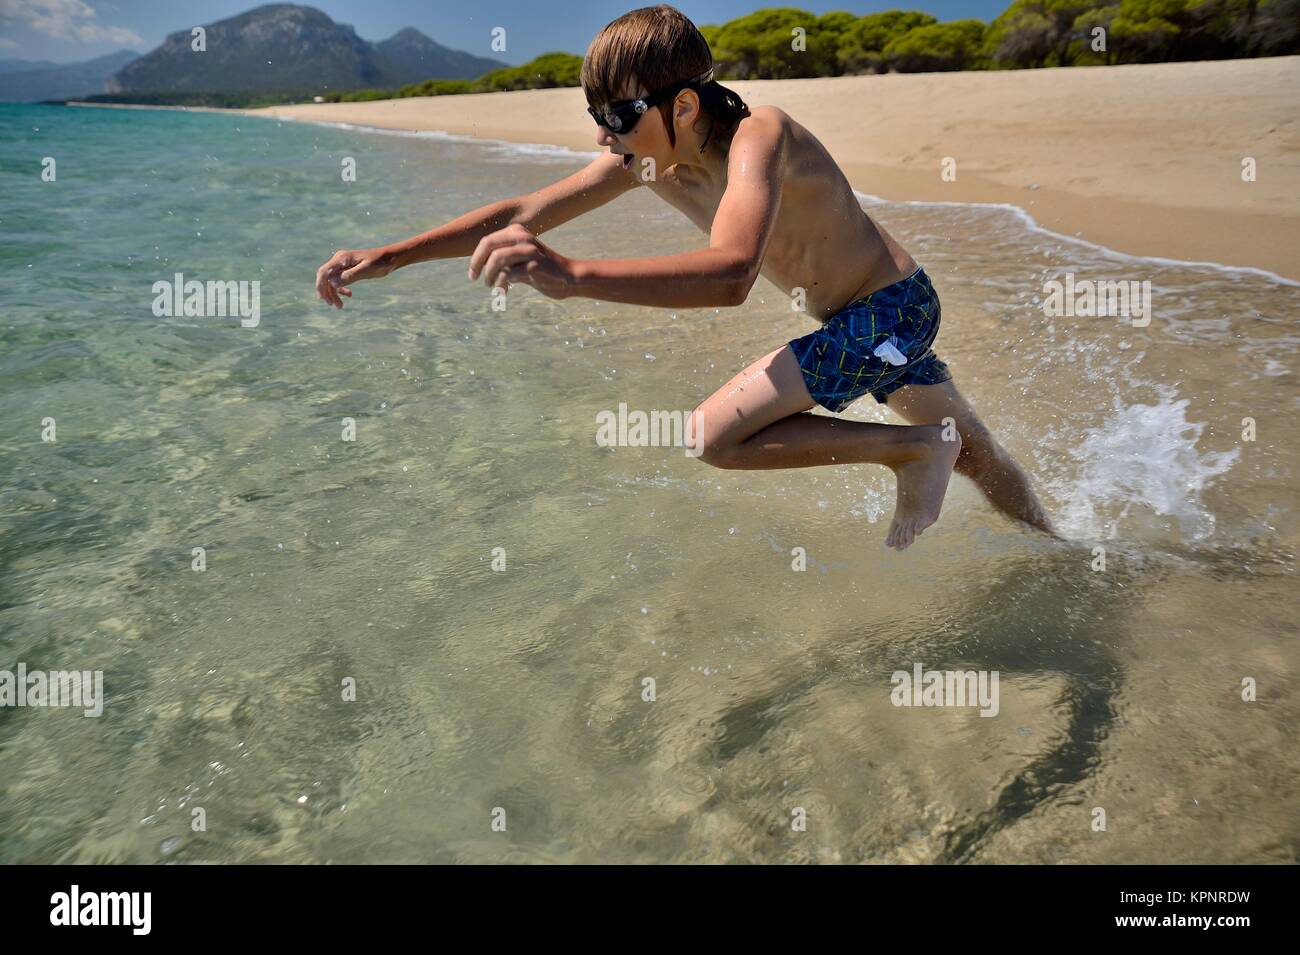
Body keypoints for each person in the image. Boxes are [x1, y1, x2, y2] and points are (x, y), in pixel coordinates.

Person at [315, 4, 1055, 550]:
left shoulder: (762, 136)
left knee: (712, 434)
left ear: (686, 104)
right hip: (857, 324)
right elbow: (521, 210)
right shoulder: (648, 159)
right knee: (980, 456)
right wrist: (391, 255)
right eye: (594, 113)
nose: (603, 134)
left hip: (891, 311)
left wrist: (572, 276)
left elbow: (733, 272)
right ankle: (1065, 549)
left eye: (620, 113)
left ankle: (913, 449)